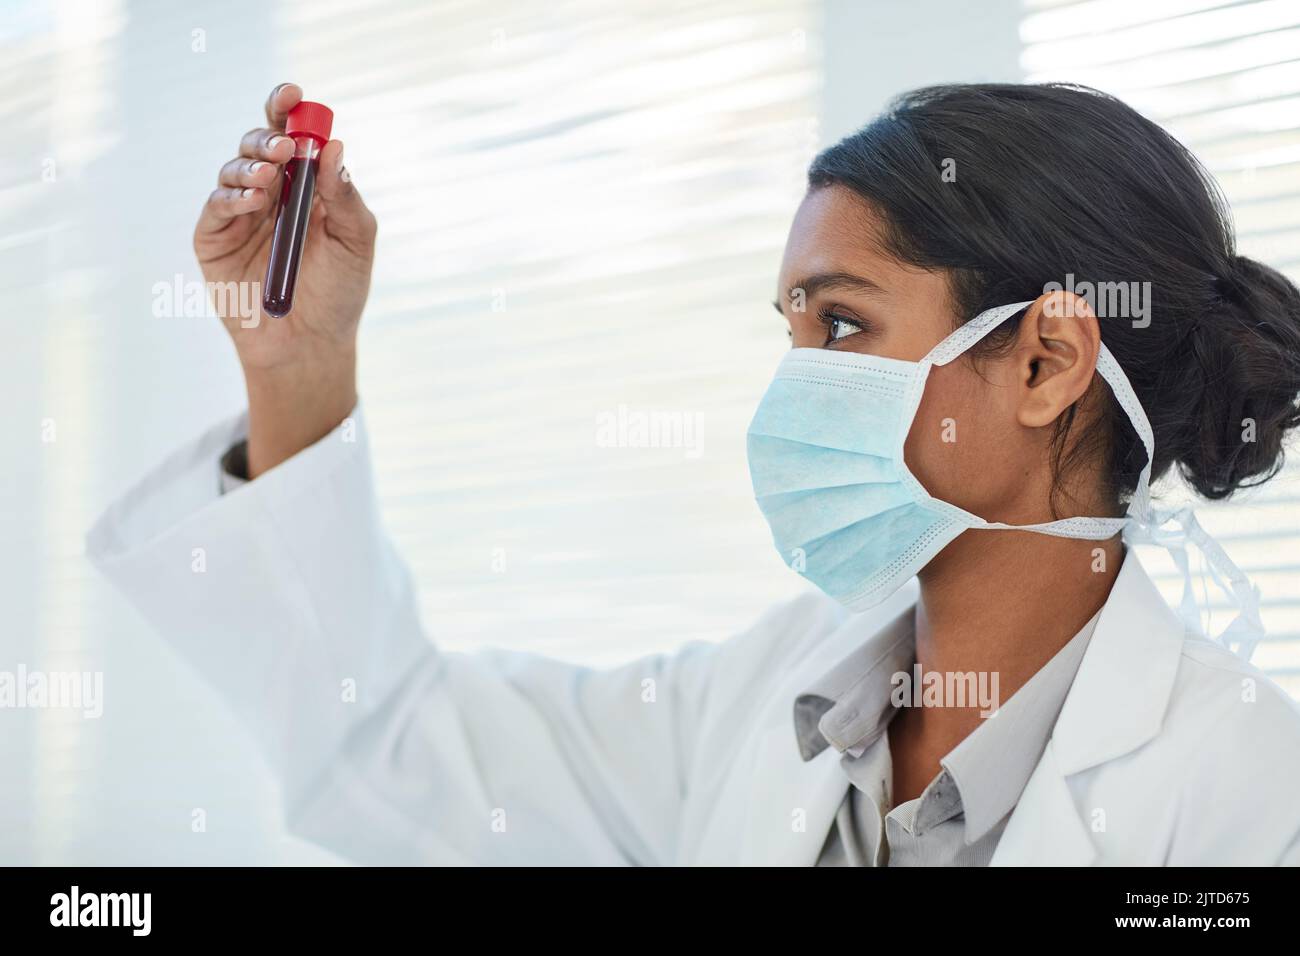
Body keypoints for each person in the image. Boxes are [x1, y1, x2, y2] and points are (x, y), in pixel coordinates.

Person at [88, 81, 1300, 865]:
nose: (793, 386)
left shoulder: (1249, 793)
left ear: (1043, 360)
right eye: (788, 330)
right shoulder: (760, 704)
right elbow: (397, 750)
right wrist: (300, 366)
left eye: (839, 327)